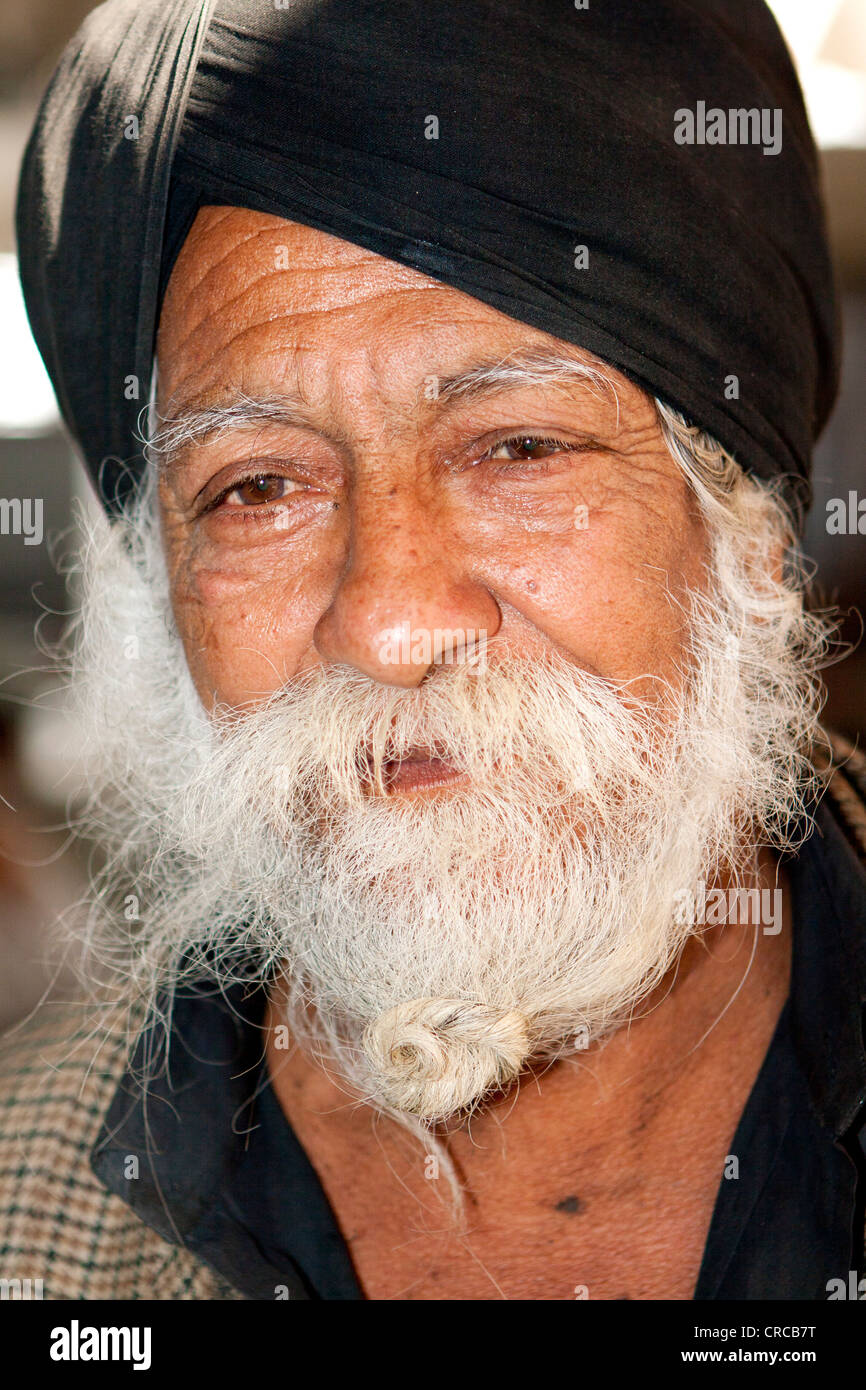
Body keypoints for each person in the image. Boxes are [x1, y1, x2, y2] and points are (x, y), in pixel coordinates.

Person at [1, 0, 864, 1301]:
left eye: (517, 448)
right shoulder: (23, 1200)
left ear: (739, 525)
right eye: (256, 489)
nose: (393, 624)